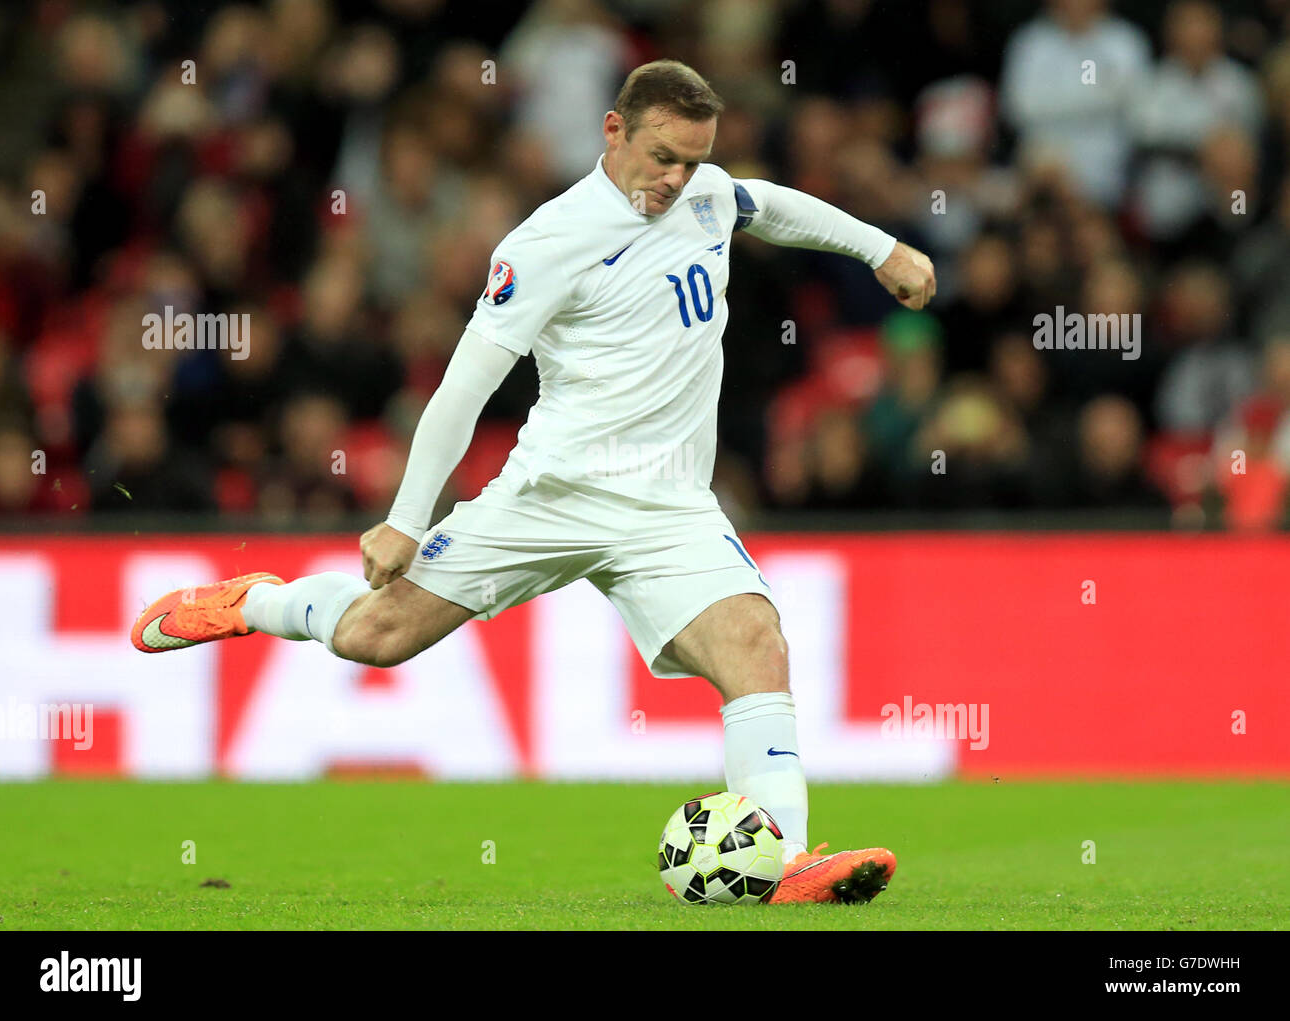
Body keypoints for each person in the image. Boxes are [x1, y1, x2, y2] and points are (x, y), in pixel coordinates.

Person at [131, 60, 935, 904]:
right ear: (613, 131)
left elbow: (767, 202)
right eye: (662, 156)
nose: (676, 179)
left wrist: (882, 248)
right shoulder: (546, 242)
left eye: (693, 161)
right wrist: (408, 519)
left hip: (670, 506)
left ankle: (787, 861)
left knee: (756, 644)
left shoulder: (704, 197)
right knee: (376, 635)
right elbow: (461, 389)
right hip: (551, 496)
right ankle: (255, 601)